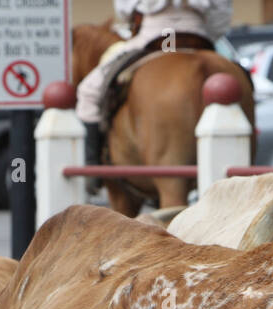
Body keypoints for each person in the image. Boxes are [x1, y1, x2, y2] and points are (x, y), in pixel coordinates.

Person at [76, 0, 233, 193]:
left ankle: (93, 170)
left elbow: (125, 10)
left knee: (88, 91)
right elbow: (221, 17)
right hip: (199, 36)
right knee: (241, 80)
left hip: (155, 35)